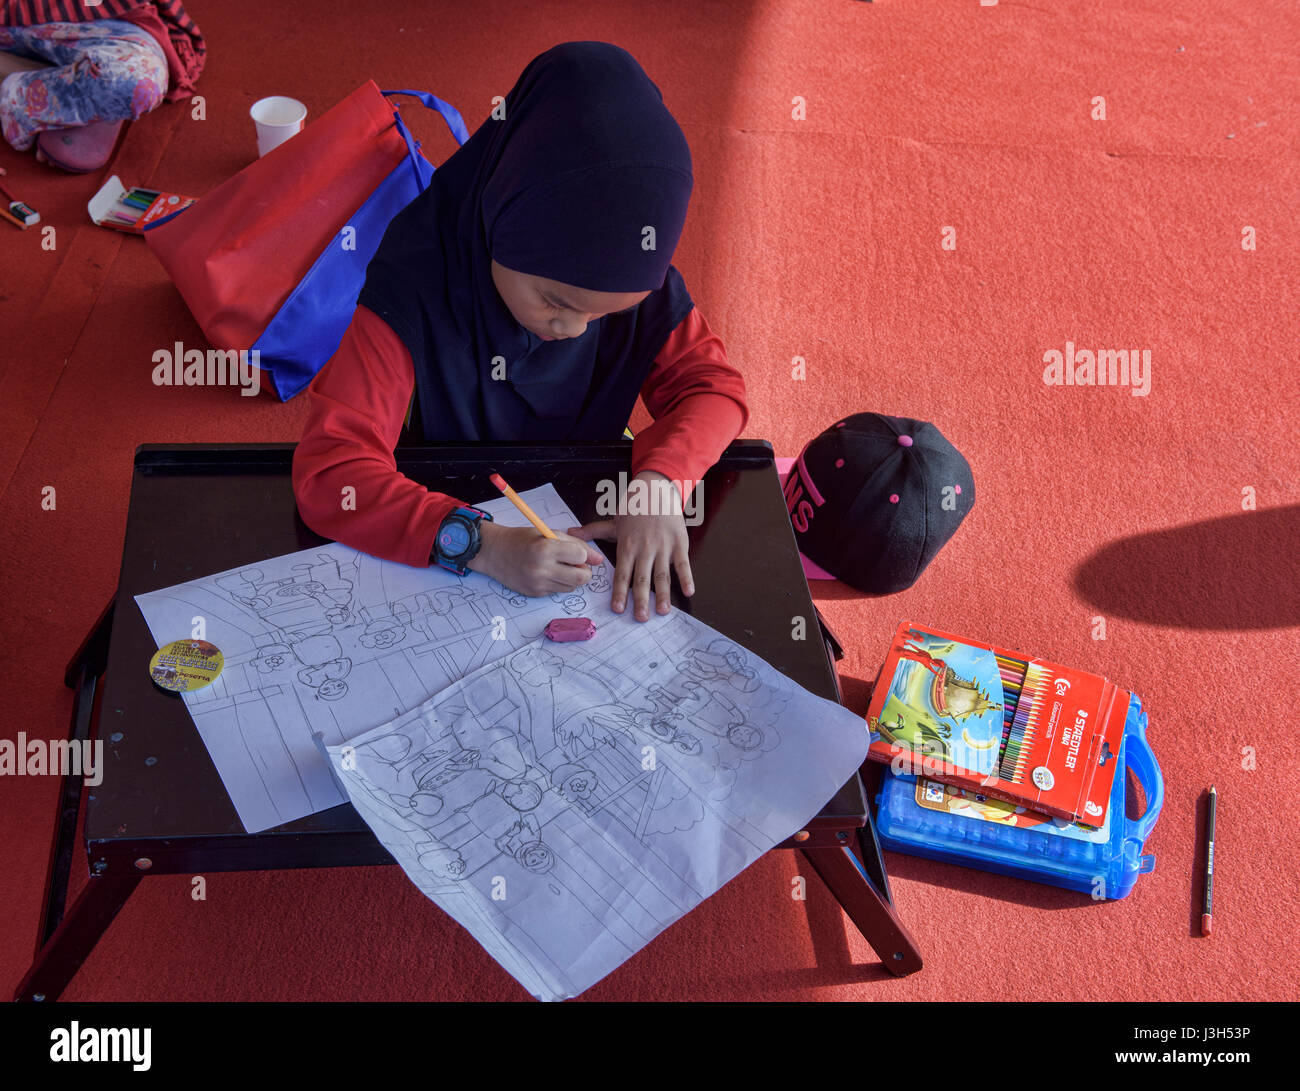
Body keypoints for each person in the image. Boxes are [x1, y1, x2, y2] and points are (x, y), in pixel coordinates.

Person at [293, 42, 748, 623]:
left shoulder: (630, 271)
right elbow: (331, 474)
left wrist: (661, 485)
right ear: (502, 217)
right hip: (446, 502)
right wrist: (480, 545)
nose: (573, 328)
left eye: (606, 315)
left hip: (581, 506)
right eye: (556, 301)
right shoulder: (412, 286)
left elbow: (713, 388)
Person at [0, 0, 204, 169]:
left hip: (105, 23)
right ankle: (69, 91)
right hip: (7, 25)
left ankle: (21, 95)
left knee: (136, 83)